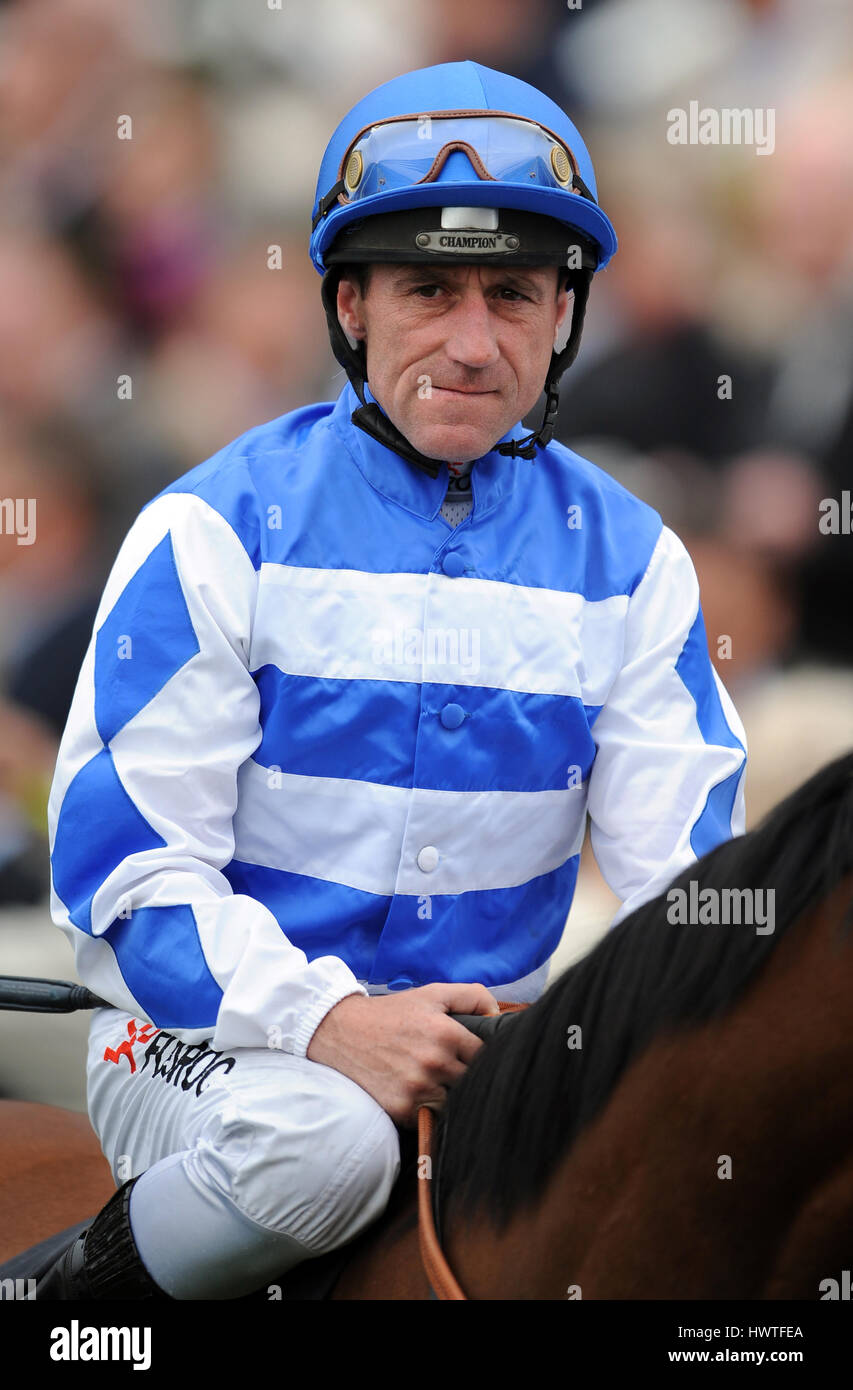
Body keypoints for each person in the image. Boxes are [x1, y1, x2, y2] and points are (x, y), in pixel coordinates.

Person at [39, 60, 746, 1299]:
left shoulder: (637, 565)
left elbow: (689, 891)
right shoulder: (212, 529)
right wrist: (328, 1027)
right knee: (325, 1145)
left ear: (563, 315)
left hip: (490, 1064)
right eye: (429, 289)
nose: (473, 345)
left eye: (514, 295)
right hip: (197, 1045)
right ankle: (61, 1308)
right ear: (350, 306)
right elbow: (128, 876)